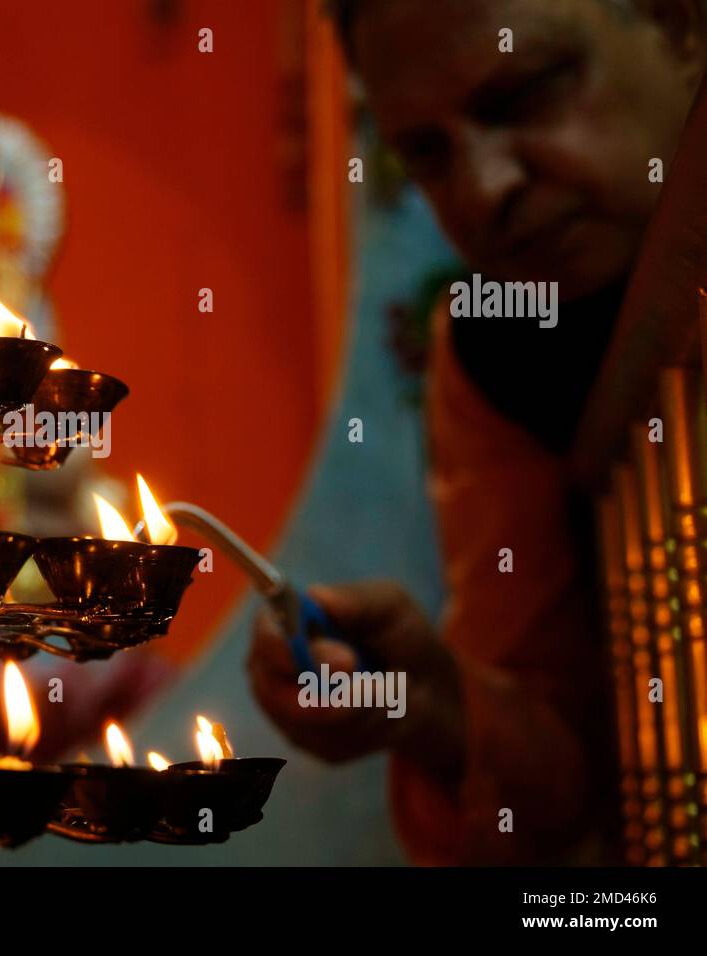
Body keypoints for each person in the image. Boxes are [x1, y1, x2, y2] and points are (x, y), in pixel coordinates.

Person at [248, 0, 707, 863]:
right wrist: (436, 706)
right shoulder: (499, 351)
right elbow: (568, 776)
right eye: (428, 152)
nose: (486, 190)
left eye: (527, 92)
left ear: (681, 27)